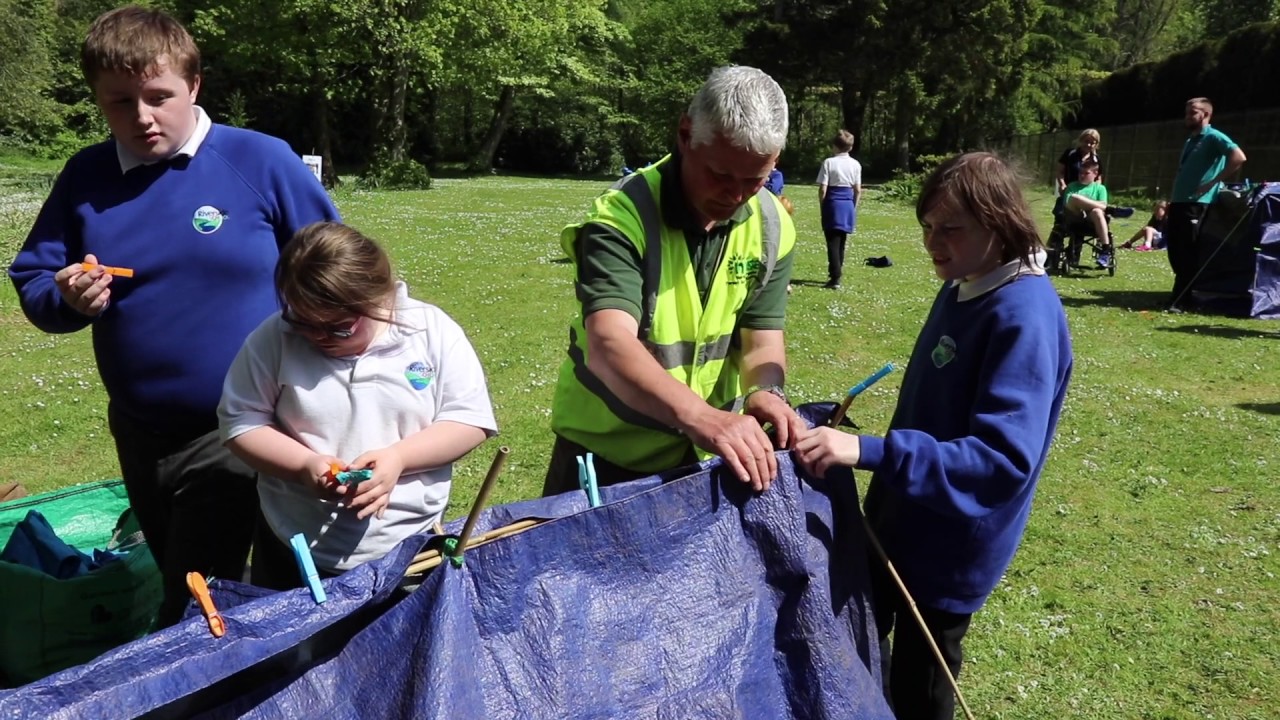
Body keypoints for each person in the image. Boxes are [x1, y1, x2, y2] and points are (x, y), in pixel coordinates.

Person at [7, 5, 340, 626]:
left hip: (249, 425)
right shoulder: (86, 175)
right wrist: (67, 297)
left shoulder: (260, 161)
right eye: (119, 102)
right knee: (188, 575)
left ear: (194, 86)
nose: (141, 117)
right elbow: (35, 279)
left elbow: (335, 267)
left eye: (158, 96)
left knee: (200, 602)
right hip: (143, 432)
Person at [794, 152, 1073, 720]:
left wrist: (869, 450)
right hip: (899, 521)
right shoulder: (963, 283)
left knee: (920, 687)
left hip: (949, 549)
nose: (931, 241)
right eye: (926, 226)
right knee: (859, 649)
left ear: (998, 223)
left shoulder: (1023, 315)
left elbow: (999, 461)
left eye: (950, 228)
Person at [543, 65, 805, 497]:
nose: (736, 196)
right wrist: (703, 418)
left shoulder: (773, 224)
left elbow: (762, 336)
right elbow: (610, 346)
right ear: (685, 135)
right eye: (720, 175)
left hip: (703, 457)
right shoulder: (620, 217)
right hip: (604, 458)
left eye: (754, 180)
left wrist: (766, 391)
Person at [218, 222, 497, 588]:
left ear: (380, 298)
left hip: (410, 548)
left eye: (339, 327)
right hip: (294, 545)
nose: (319, 337)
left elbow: (468, 420)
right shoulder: (275, 339)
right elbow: (241, 422)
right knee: (298, 646)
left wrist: (399, 458)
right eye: (302, 322)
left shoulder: (429, 332)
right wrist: (304, 466)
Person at [1165, 97, 1247, 312]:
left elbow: (1238, 157)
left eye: (1193, 112)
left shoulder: (1213, 136)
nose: (1188, 117)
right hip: (1180, 201)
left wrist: (1213, 182)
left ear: (1206, 114)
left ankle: (1185, 300)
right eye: (1186, 113)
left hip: (1197, 203)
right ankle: (1177, 295)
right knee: (1175, 249)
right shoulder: (1191, 140)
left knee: (1188, 251)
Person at [816, 129, 862, 289]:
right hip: (847, 202)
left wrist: (823, 204)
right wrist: (853, 205)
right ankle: (837, 271)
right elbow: (857, 189)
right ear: (850, 147)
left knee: (832, 242)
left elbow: (823, 188)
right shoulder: (855, 164)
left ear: (835, 146)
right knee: (841, 241)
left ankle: (835, 276)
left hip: (833, 201)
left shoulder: (829, 162)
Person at [1060, 159, 1117, 266]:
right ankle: (1110, 210)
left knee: (1097, 212)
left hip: (1092, 222)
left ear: (1095, 174)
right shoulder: (1072, 186)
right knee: (1074, 198)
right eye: (1080, 173)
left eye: (1086, 173)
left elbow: (1099, 208)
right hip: (1075, 219)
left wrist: (1090, 206)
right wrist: (1098, 205)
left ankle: (1105, 250)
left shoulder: (1100, 189)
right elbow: (1068, 204)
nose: (1082, 175)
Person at [1056, 128, 1101, 195]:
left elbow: (1098, 178)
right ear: (1081, 140)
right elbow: (1060, 172)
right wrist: (1062, 185)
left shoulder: (1096, 159)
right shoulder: (1070, 153)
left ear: (1096, 144)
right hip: (1069, 191)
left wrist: (1095, 191)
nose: (1088, 145)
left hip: (1087, 194)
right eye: (1086, 141)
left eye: (1092, 143)